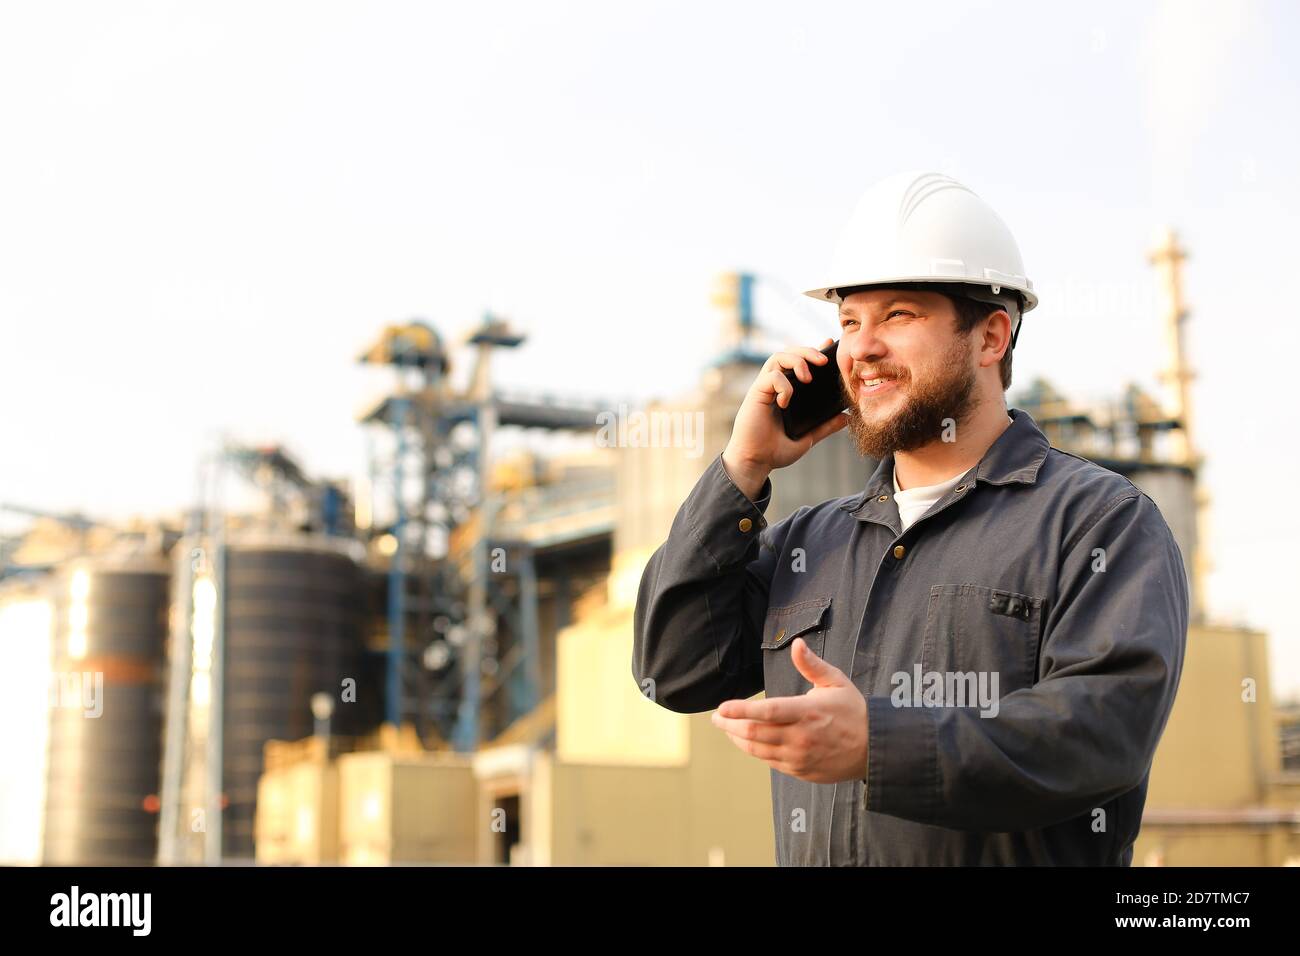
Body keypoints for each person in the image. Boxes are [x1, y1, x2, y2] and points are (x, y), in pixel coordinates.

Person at [631, 170, 1189, 865]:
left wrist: (880, 745)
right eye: (848, 323)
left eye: (898, 315)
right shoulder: (810, 542)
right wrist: (740, 471)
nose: (861, 348)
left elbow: (1103, 734)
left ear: (991, 338)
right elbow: (674, 670)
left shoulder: (1099, 524)